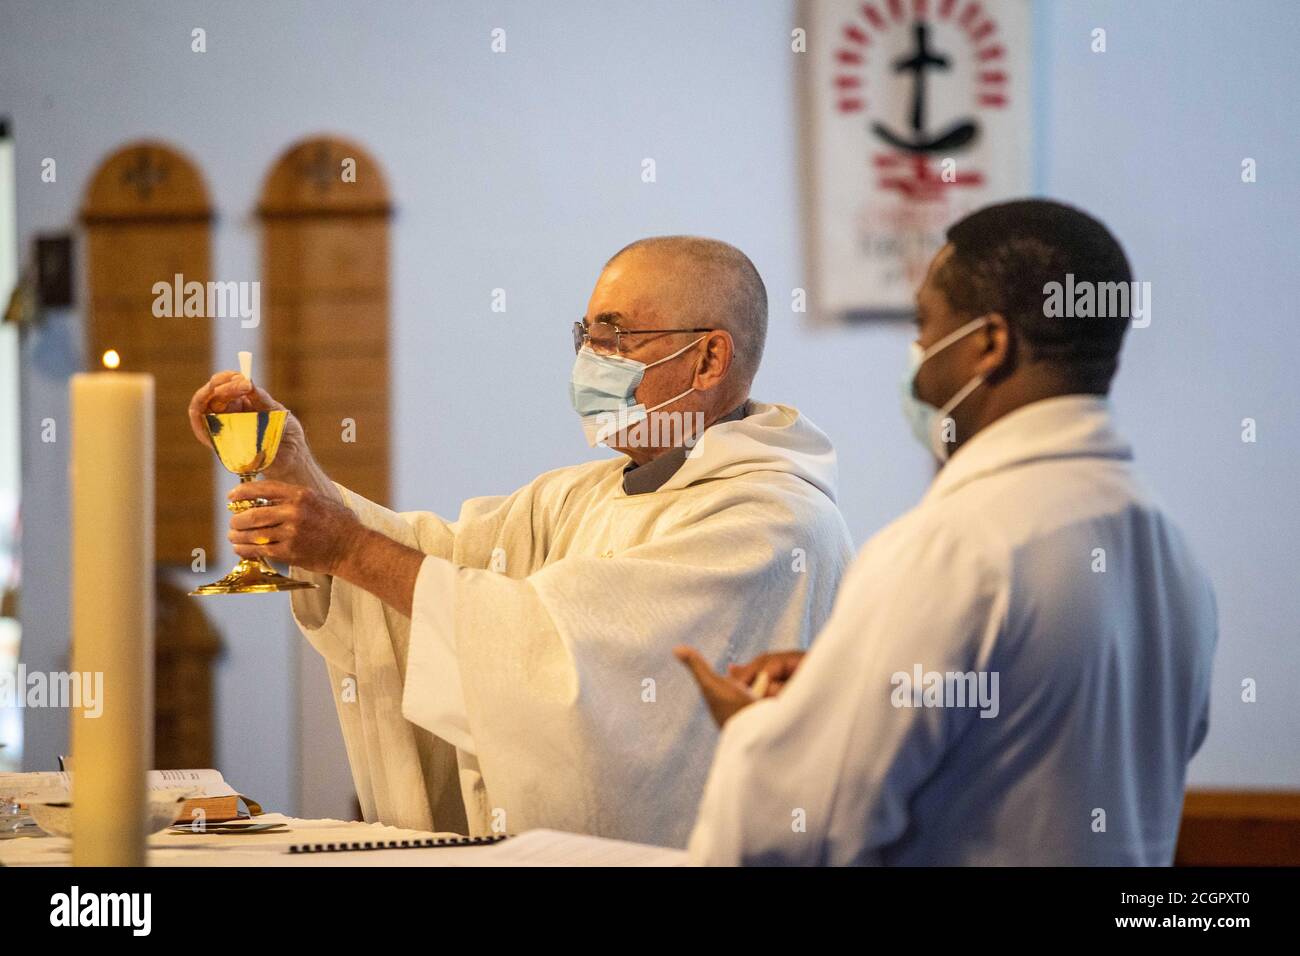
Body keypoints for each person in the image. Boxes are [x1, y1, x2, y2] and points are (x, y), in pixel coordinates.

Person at [188, 236, 854, 847]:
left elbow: (554, 654)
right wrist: (295, 468)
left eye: (616, 336)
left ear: (709, 357)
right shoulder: (579, 494)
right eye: (585, 336)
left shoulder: (767, 522)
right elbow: (443, 559)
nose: (593, 362)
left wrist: (349, 550)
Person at [677, 200, 1218, 865]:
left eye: (924, 326)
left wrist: (766, 732)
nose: (918, 361)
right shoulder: (1172, 553)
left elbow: (800, 834)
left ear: (988, 346)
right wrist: (850, 685)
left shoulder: (953, 548)